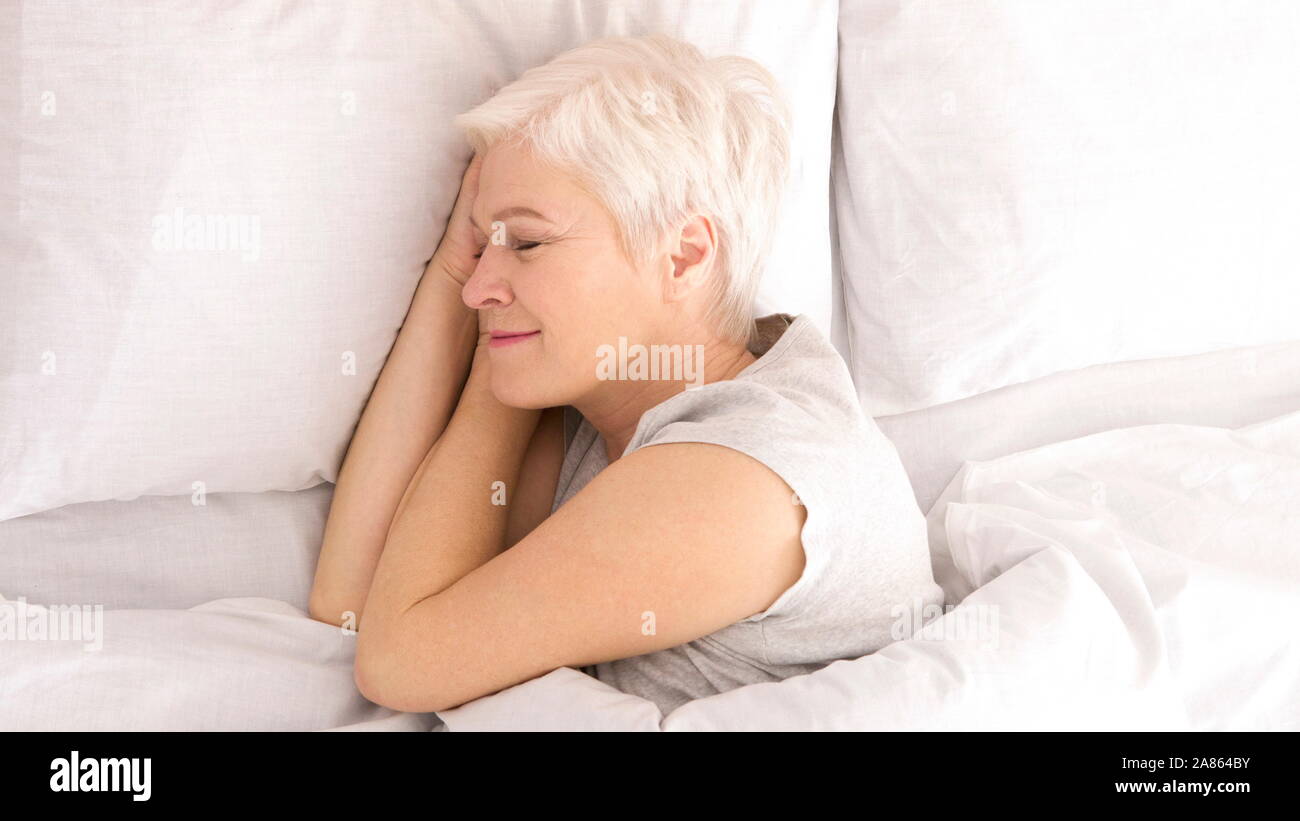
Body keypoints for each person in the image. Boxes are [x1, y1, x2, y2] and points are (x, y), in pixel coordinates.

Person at [309, 34, 944, 717]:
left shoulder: (738, 479)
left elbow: (398, 659)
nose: (480, 289)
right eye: (482, 242)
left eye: (526, 242)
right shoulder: (609, 408)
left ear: (683, 256)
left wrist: (505, 355)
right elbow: (353, 600)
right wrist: (455, 277)